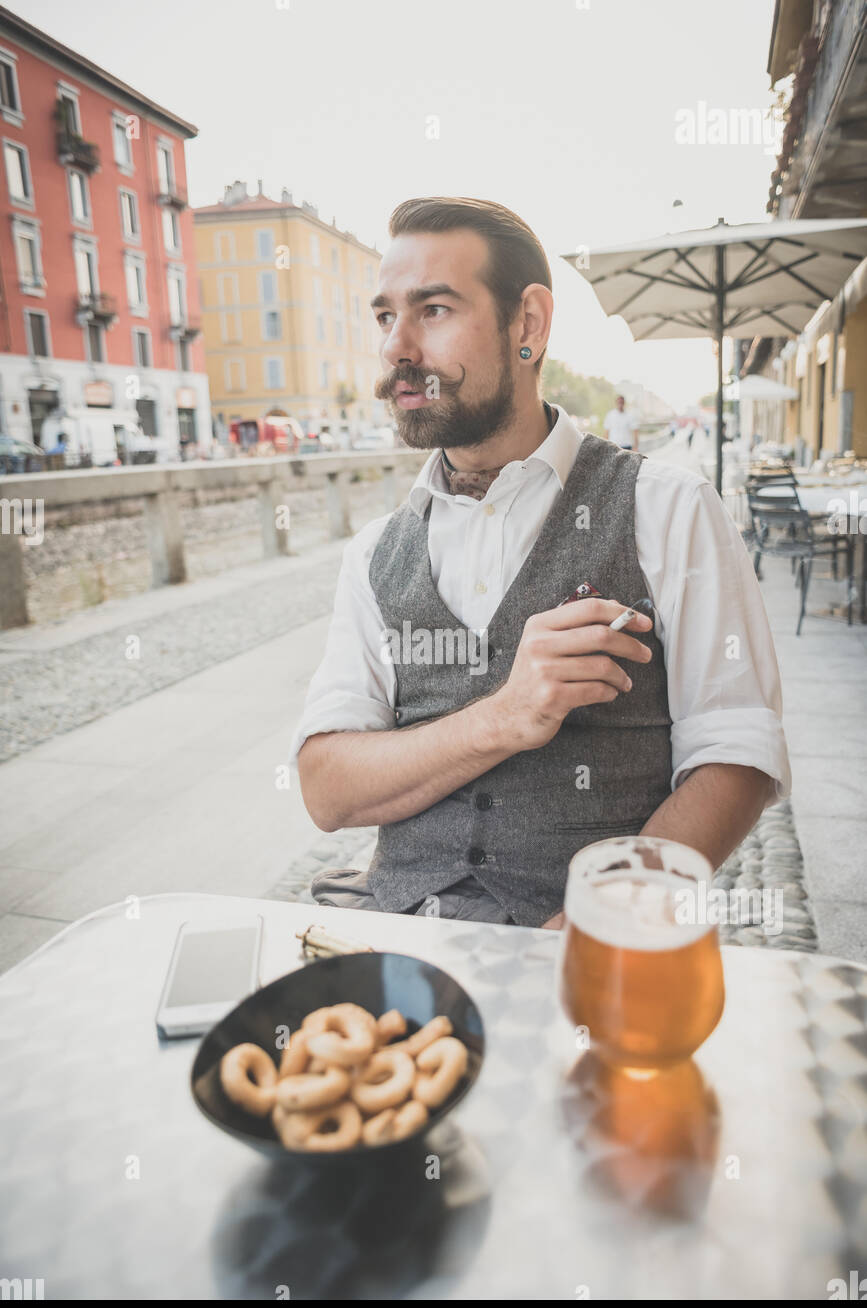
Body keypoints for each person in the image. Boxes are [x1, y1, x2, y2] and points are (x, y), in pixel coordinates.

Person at [290, 196, 790, 930]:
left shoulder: (667, 506)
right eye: (384, 316)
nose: (397, 347)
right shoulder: (374, 553)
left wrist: (594, 923)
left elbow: (737, 756)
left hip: (593, 956)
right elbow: (327, 789)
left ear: (526, 324)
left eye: (432, 310)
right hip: (399, 943)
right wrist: (502, 717)